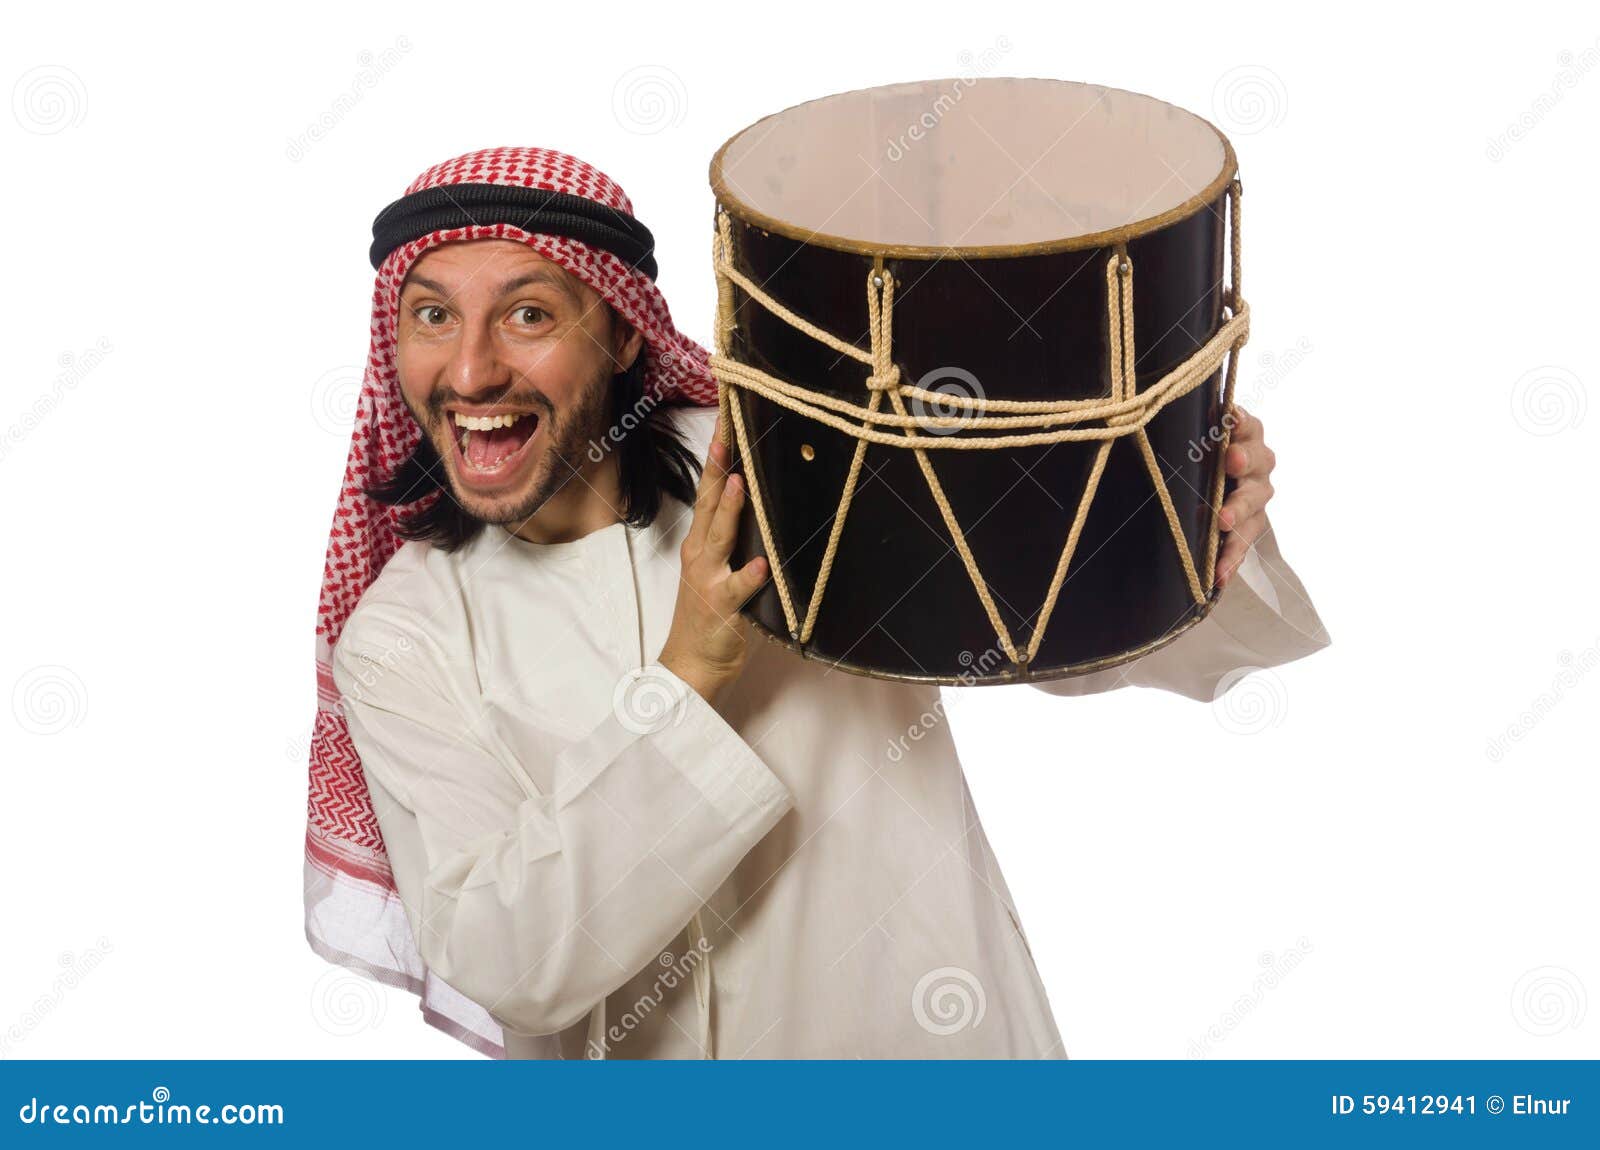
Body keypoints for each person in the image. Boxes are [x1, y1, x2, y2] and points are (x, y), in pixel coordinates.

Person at [303, 146, 1330, 1060]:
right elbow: (513, 962)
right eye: (433, 315)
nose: (472, 366)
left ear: (623, 336)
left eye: (528, 314)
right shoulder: (401, 637)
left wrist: (1191, 525)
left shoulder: (803, 467)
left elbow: (1069, 629)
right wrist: (689, 675)